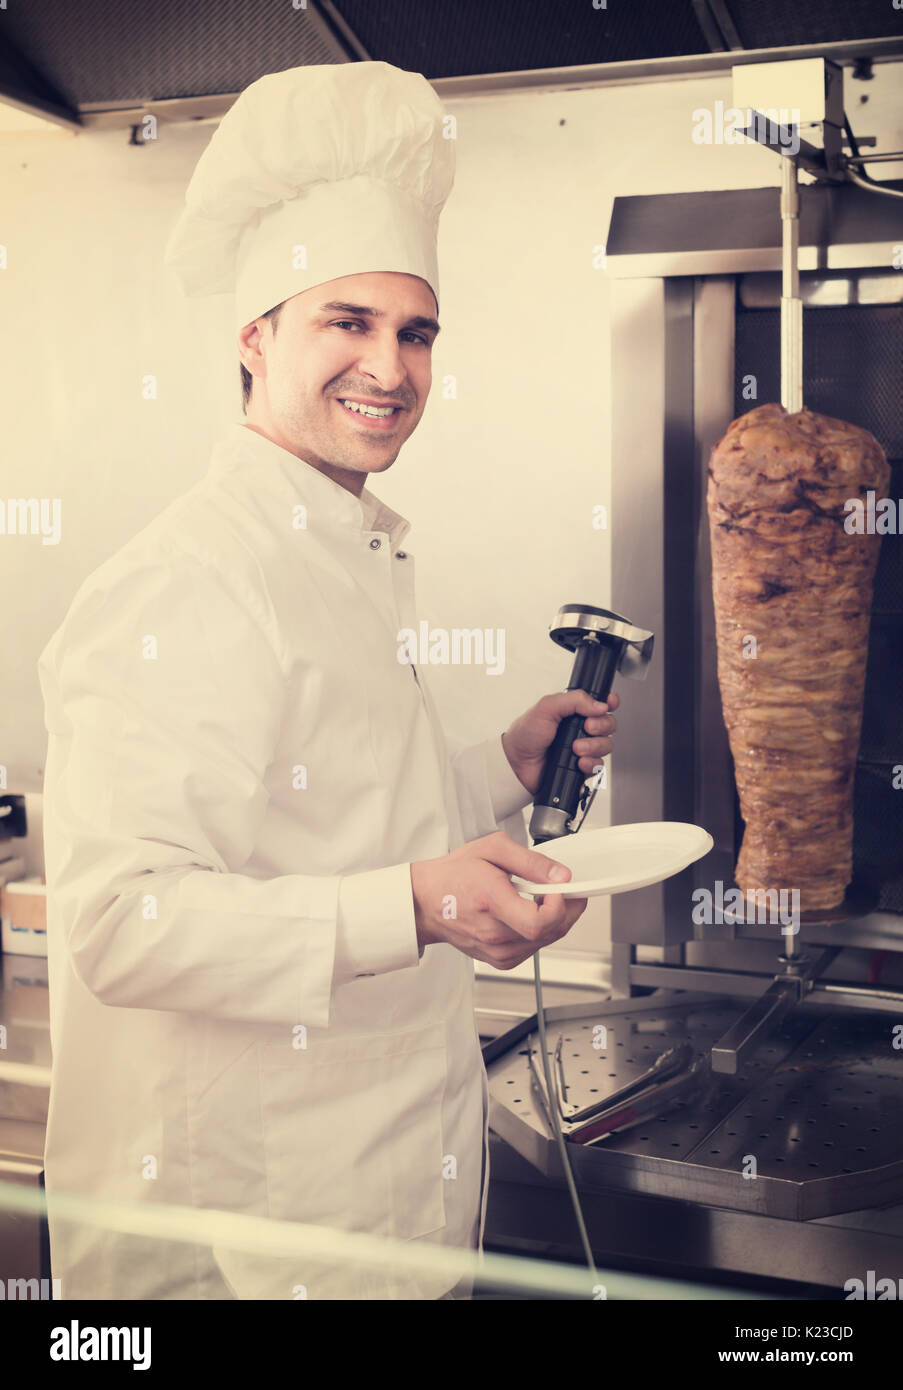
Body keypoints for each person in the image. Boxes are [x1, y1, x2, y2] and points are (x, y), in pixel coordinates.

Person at [38, 61, 618, 1301]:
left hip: (373, 1200)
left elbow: (334, 818)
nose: (391, 368)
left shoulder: (351, 551)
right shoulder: (190, 578)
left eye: (414, 332)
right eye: (345, 323)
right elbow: (119, 922)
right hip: (239, 1238)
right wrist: (420, 905)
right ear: (255, 340)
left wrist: (501, 770)